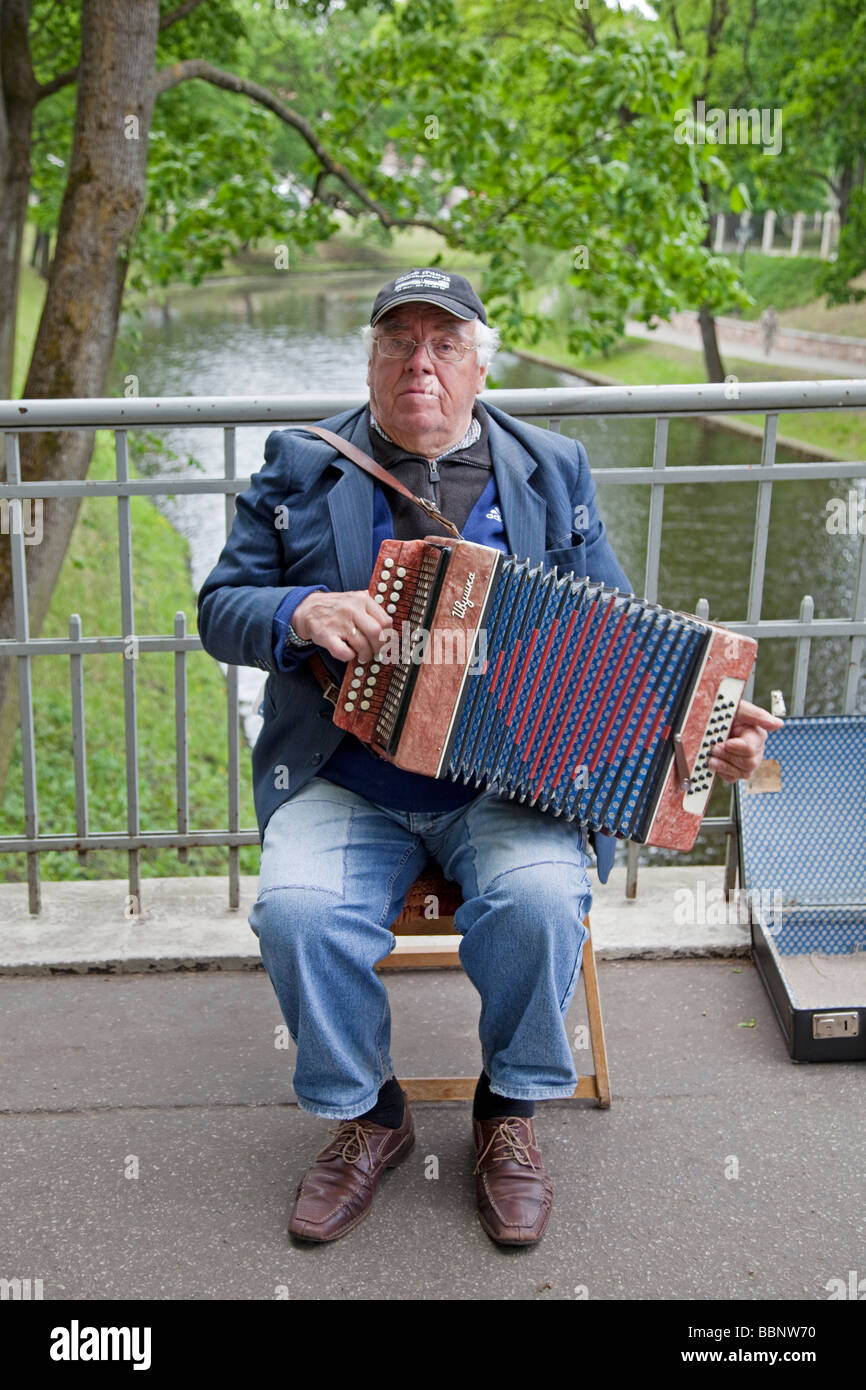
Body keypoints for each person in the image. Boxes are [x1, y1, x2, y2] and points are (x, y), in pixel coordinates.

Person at [197, 267, 781, 1247]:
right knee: (295, 913)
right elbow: (222, 608)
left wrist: (699, 727)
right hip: (349, 777)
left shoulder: (552, 467)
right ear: (372, 356)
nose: (418, 363)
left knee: (542, 903)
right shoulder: (300, 466)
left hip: (506, 782)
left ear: (479, 360)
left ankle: (505, 1109)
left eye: (442, 343)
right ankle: (368, 1117)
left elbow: (617, 640)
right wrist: (300, 610)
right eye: (398, 341)